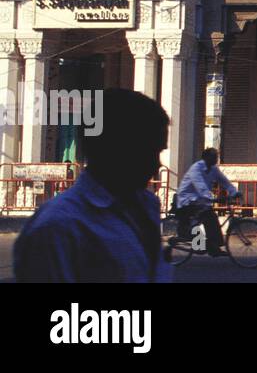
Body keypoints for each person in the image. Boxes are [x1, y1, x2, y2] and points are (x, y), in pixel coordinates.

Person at [14, 89, 171, 282]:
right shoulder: (59, 226)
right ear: (115, 148)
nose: (156, 165)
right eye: (148, 151)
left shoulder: (147, 205)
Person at [175, 147, 241, 256]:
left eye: (217, 156)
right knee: (207, 217)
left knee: (211, 217)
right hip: (187, 200)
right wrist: (213, 198)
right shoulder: (196, 168)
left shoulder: (214, 169)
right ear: (206, 158)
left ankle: (213, 246)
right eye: (214, 157)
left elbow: (224, 181)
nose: (216, 159)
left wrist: (234, 192)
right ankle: (205, 245)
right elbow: (201, 187)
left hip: (200, 200)